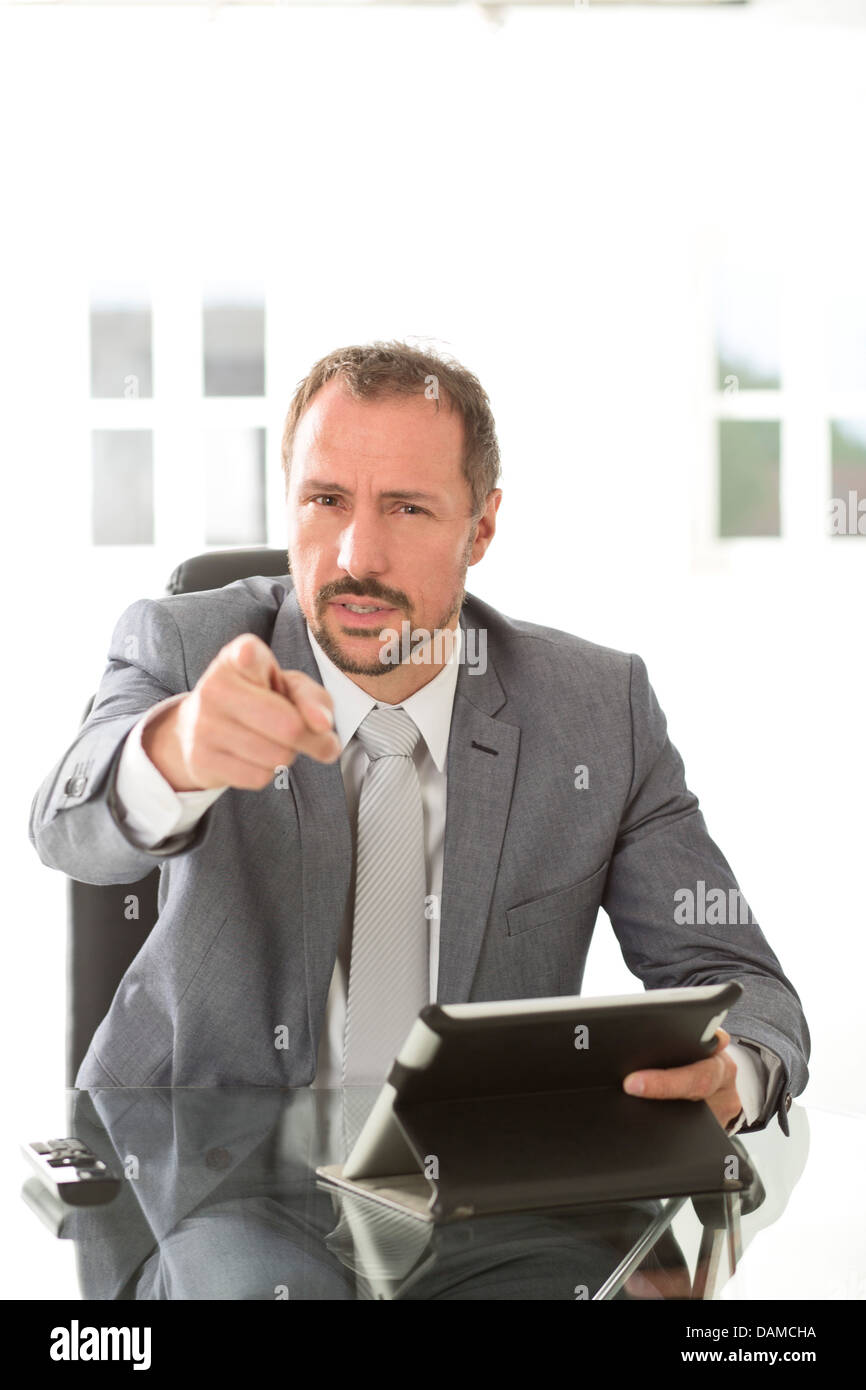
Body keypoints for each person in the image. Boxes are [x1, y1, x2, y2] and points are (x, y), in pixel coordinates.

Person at [30, 341, 809, 1136]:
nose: (356, 556)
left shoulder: (599, 714)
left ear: (482, 527)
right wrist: (174, 750)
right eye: (325, 500)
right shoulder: (184, 649)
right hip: (192, 1178)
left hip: (477, 1203)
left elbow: (742, 983)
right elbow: (66, 832)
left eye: (407, 508)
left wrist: (736, 1070)